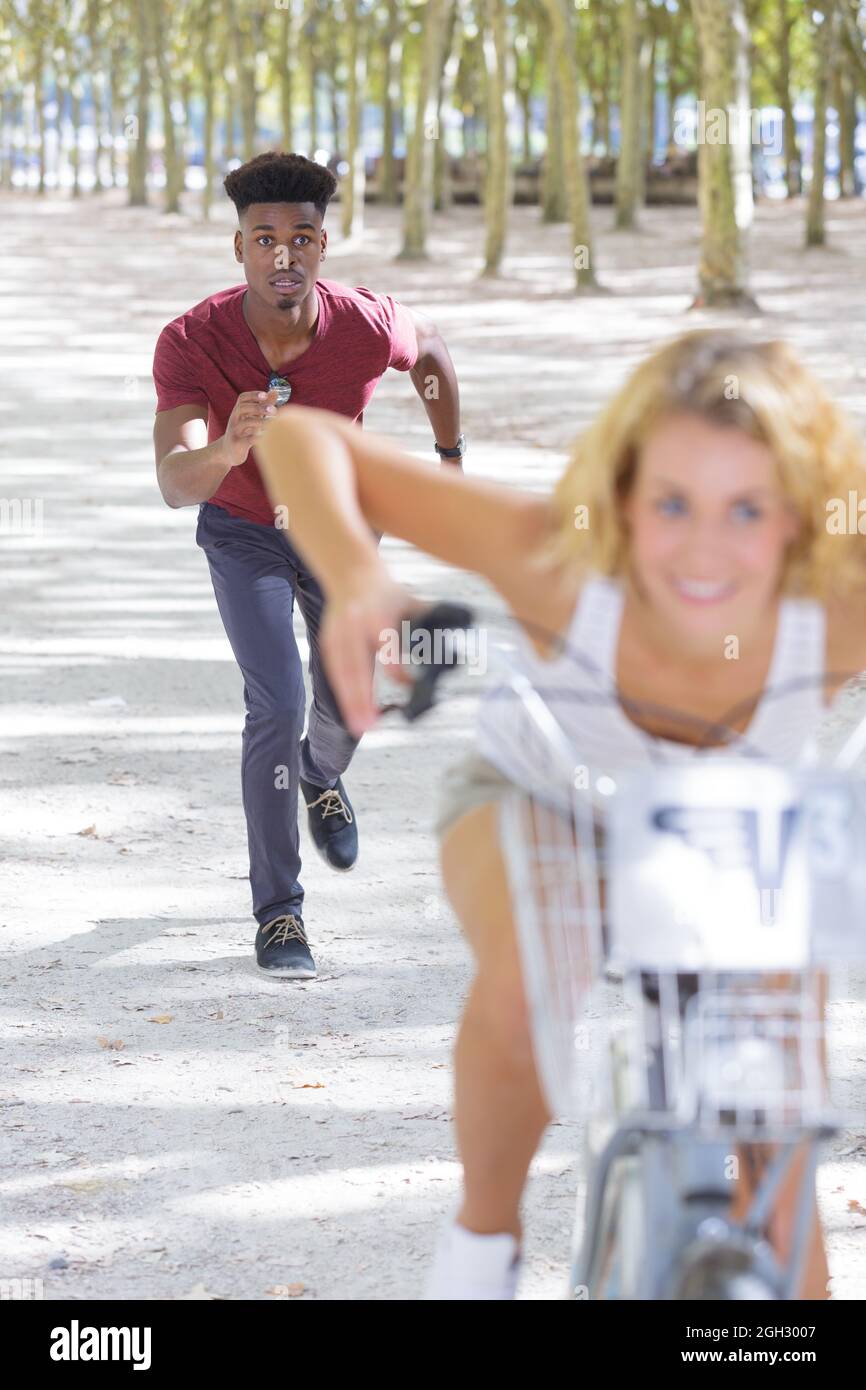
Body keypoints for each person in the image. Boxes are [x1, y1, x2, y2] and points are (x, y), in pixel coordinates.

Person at [255, 330, 866, 1298]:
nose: (702, 546)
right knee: (538, 967)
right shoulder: (558, 558)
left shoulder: (836, 599)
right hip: (538, 796)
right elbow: (299, 442)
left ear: (799, 518)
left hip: (733, 827)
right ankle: (479, 1251)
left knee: (774, 1100)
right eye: (669, 503)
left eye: (746, 509)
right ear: (618, 500)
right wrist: (354, 574)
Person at [151, 151, 465, 979]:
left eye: (300, 238)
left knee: (349, 703)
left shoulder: (362, 325)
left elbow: (429, 352)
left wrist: (450, 456)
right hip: (243, 529)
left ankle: (323, 775)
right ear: (239, 249)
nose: (282, 255)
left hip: (335, 530)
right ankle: (280, 914)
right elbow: (175, 483)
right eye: (264, 240)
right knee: (275, 703)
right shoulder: (191, 340)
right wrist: (228, 445)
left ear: (322, 247)